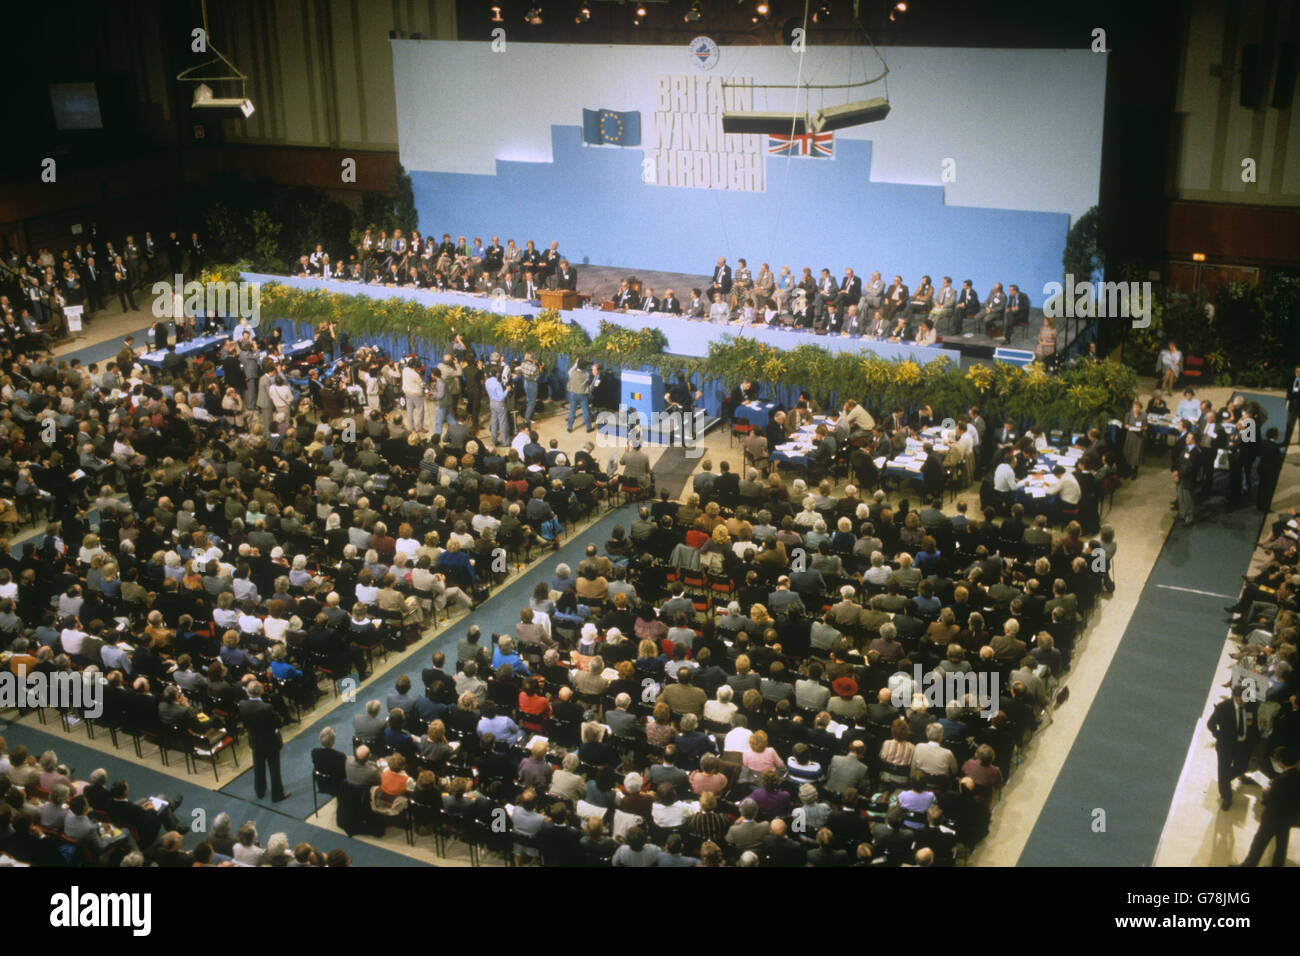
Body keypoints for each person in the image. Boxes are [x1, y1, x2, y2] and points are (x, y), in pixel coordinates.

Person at [1237, 746, 1300, 867]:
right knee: (1281, 844)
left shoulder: (1280, 781)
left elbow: (1268, 801)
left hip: (1273, 818)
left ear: (1281, 761)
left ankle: (1249, 864)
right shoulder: (1295, 776)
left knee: (1259, 843)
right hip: (1288, 818)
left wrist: (1266, 790)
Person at [1207, 684, 1258, 811]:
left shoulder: (1251, 705)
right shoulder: (1223, 707)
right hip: (1226, 746)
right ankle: (1226, 797)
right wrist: (1219, 736)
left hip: (1244, 745)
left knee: (1242, 767)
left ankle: (1224, 779)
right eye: (1242, 699)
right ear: (1235, 697)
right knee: (1223, 769)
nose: (1245, 702)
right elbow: (1211, 724)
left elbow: (1253, 723)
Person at [239, 680, 290, 802]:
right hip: (270, 742)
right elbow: (277, 723)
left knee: (258, 767)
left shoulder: (242, 705)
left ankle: (260, 791)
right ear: (261, 691)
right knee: (274, 769)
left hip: (255, 741)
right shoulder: (266, 707)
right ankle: (277, 794)